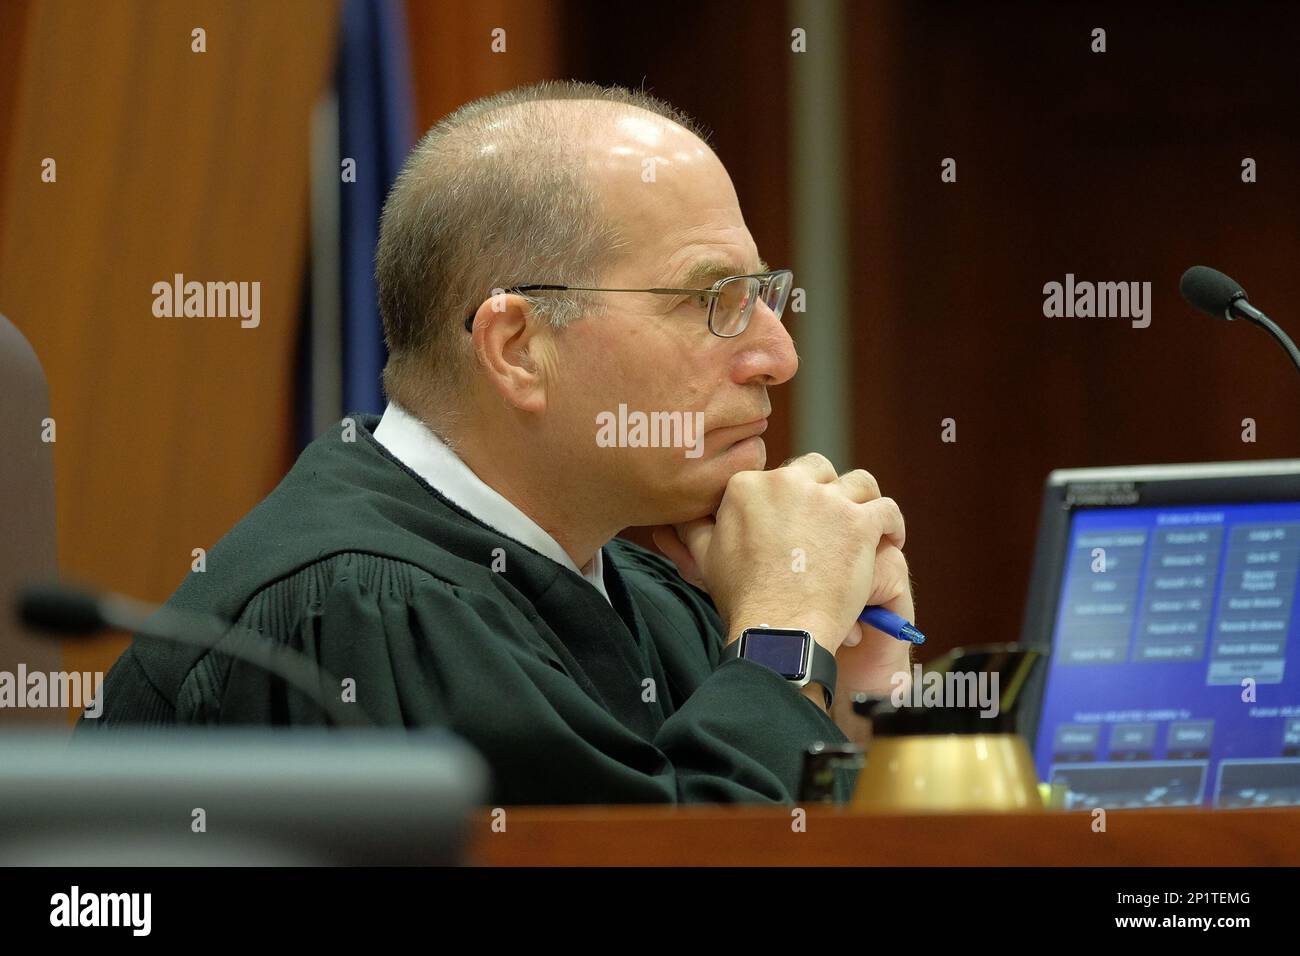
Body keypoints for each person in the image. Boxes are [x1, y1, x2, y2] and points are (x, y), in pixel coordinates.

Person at [83, 80, 915, 805]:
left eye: (763, 294)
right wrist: (787, 638)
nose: (778, 355)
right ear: (517, 348)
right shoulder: (363, 611)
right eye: (712, 300)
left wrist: (858, 701)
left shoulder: (648, 586)